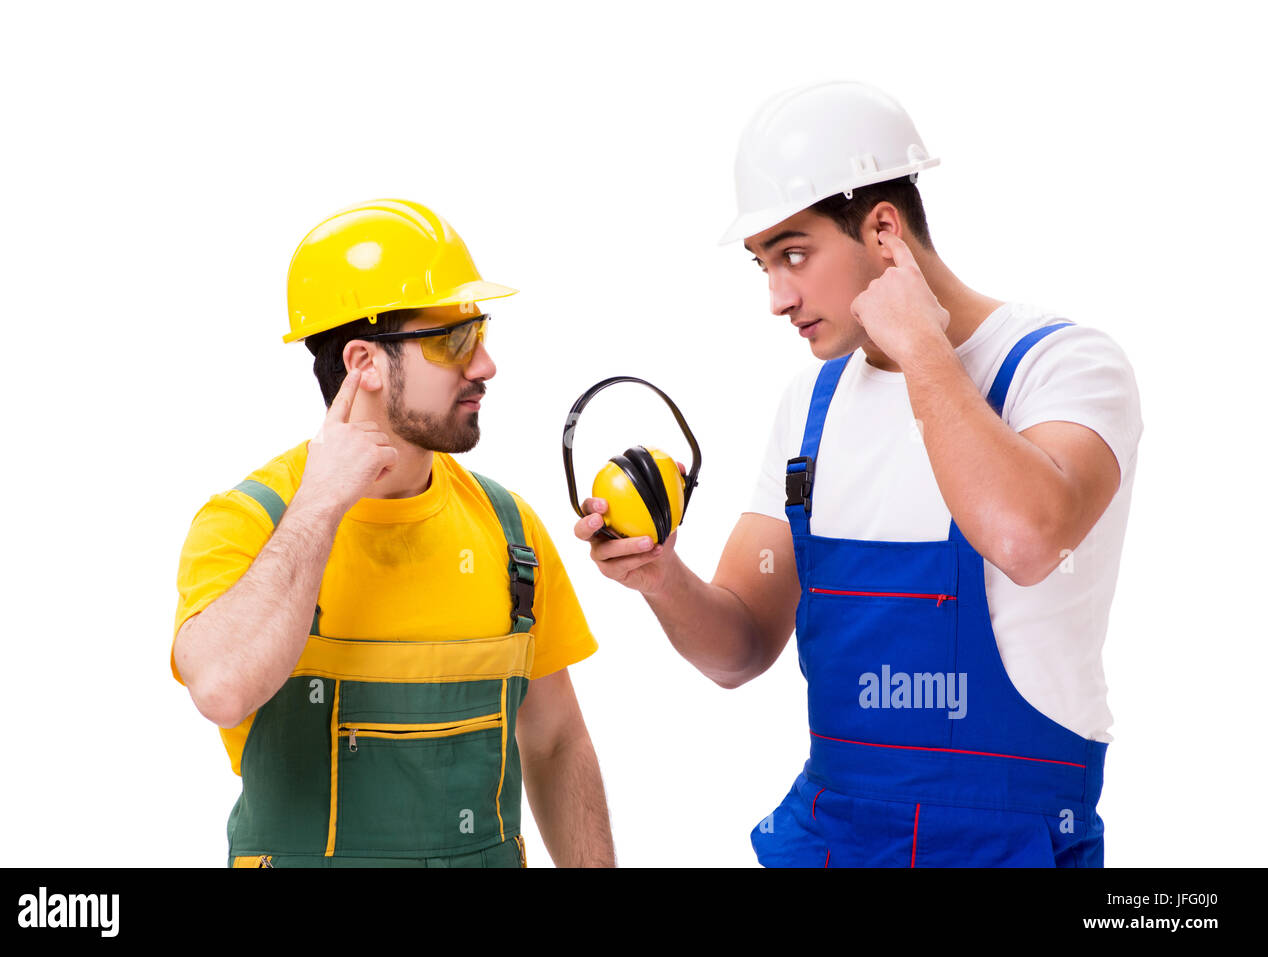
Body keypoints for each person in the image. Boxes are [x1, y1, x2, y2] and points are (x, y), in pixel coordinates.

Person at [573, 81, 1142, 867]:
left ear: (883, 230)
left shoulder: (1063, 367)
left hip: (1005, 842)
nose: (778, 298)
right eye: (762, 265)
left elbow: (1025, 537)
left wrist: (922, 353)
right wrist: (660, 576)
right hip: (829, 839)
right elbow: (739, 649)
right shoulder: (813, 403)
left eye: (794, 255)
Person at [173, 198, 614, 868]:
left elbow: (554, 740)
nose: (485, 366)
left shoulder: (509, 530)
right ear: (364, 364)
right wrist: (321, 503)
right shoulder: (249, 523)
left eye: (480, 333)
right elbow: (221, 687)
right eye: (454, 340)